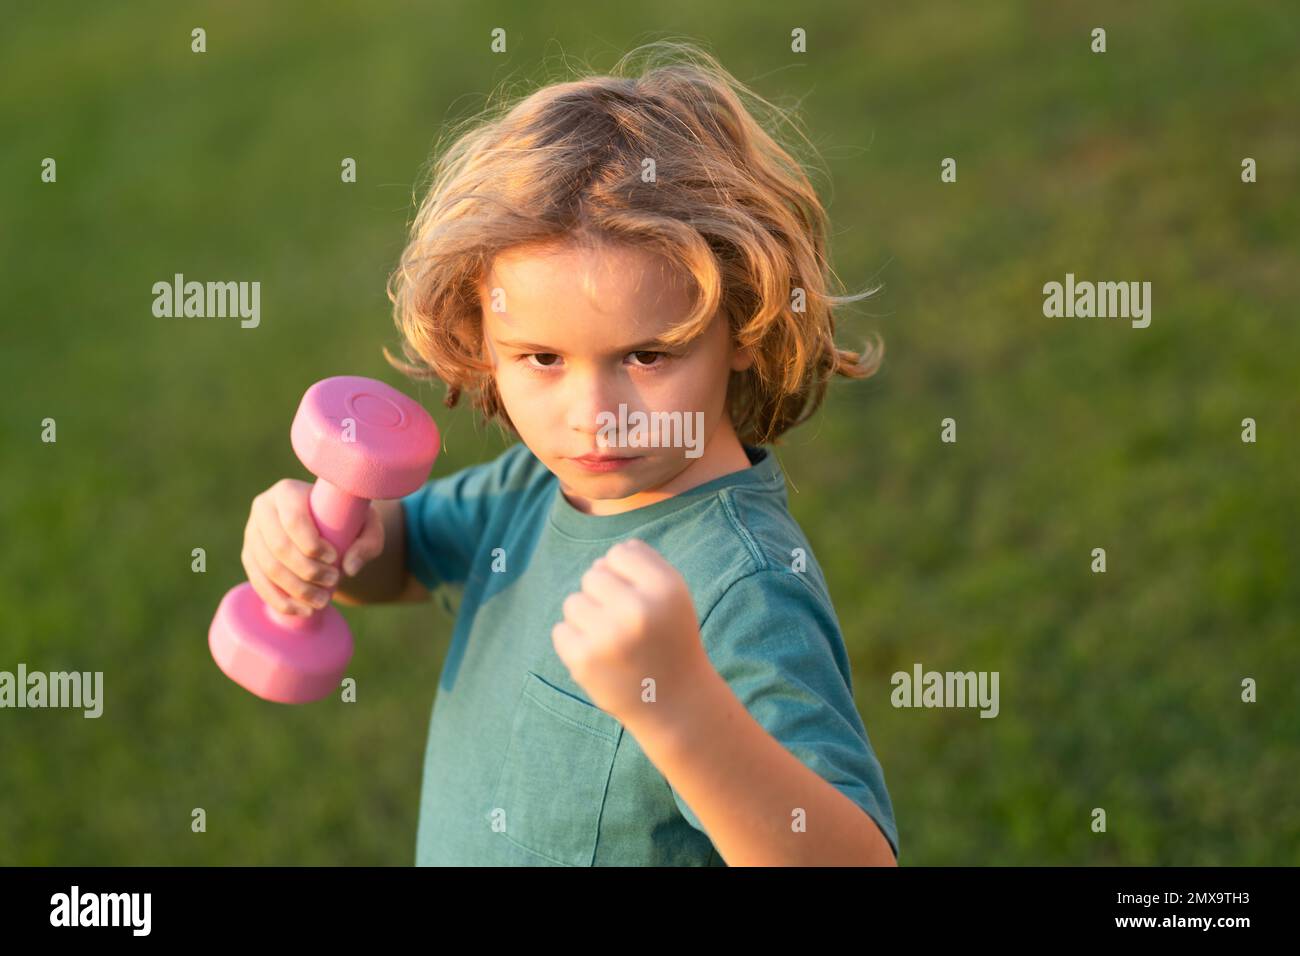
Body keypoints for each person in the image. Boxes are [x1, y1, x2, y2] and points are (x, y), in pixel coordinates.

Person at [240, 40, 896, 866]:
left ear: (743, 323)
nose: (593, 419)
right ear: (484, 338)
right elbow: (393, 559)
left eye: (648, 356)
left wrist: (682, 708)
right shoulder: (533, 488)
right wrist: (317, 535)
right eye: (542, 359)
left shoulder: (743, 585)